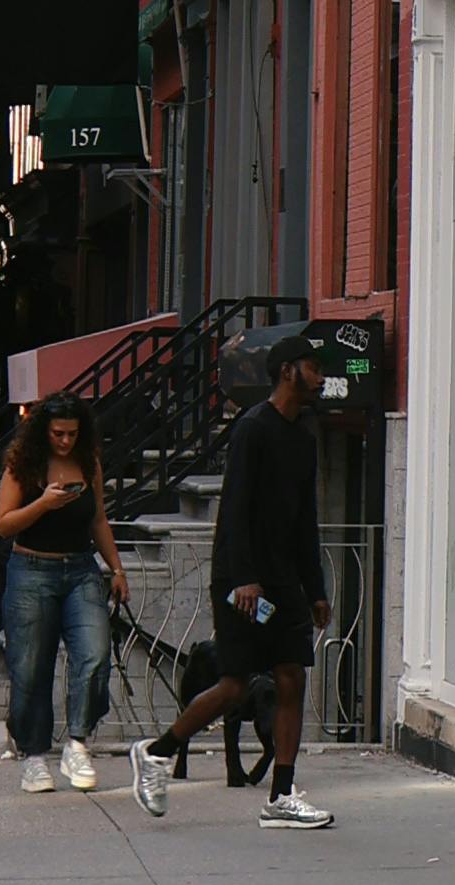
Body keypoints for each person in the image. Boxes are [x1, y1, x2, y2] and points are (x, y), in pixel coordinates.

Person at [132, 343, 332, 829]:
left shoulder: (305, 438)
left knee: (291, 677)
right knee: (234, 684)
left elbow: (305, 519)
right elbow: (235, 507)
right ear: (288, 372)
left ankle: (280, 796)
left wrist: (316, 588)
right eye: (314, 368)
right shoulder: (252, 429)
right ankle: (157, 754)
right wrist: (244, 577)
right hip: (241, 580)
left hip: (285, 582)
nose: (321, 378)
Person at [0, 399, 128, 794]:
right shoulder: (24, 465)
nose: (66, 441)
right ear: (43, 432)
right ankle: (34, 755)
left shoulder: (89, 463)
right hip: (31, 569)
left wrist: (117, 568)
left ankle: (77, 742)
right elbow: (3, 524)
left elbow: (98, 519)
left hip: (81, 569)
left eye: (72, 433)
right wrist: (43, 503)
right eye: (58, 434)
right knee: (31, 666)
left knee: (95, 652)